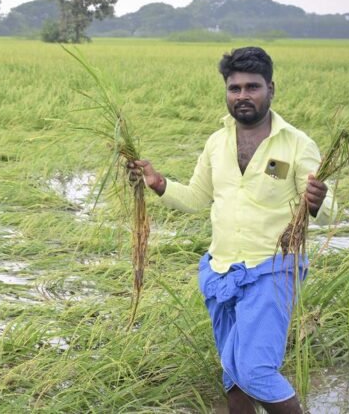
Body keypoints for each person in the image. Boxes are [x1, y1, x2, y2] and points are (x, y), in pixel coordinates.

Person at [129, 47, 336, 414]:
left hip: (272, 268)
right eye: (234, 88)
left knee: (255, 370)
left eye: (252, 87)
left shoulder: (295, 144)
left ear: (270, 88)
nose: (242, 96)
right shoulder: (216, 142)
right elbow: (197, 197)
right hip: (221, 270)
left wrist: (317, 200)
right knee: (233, 372)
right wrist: (158, 183)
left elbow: (328, 207)